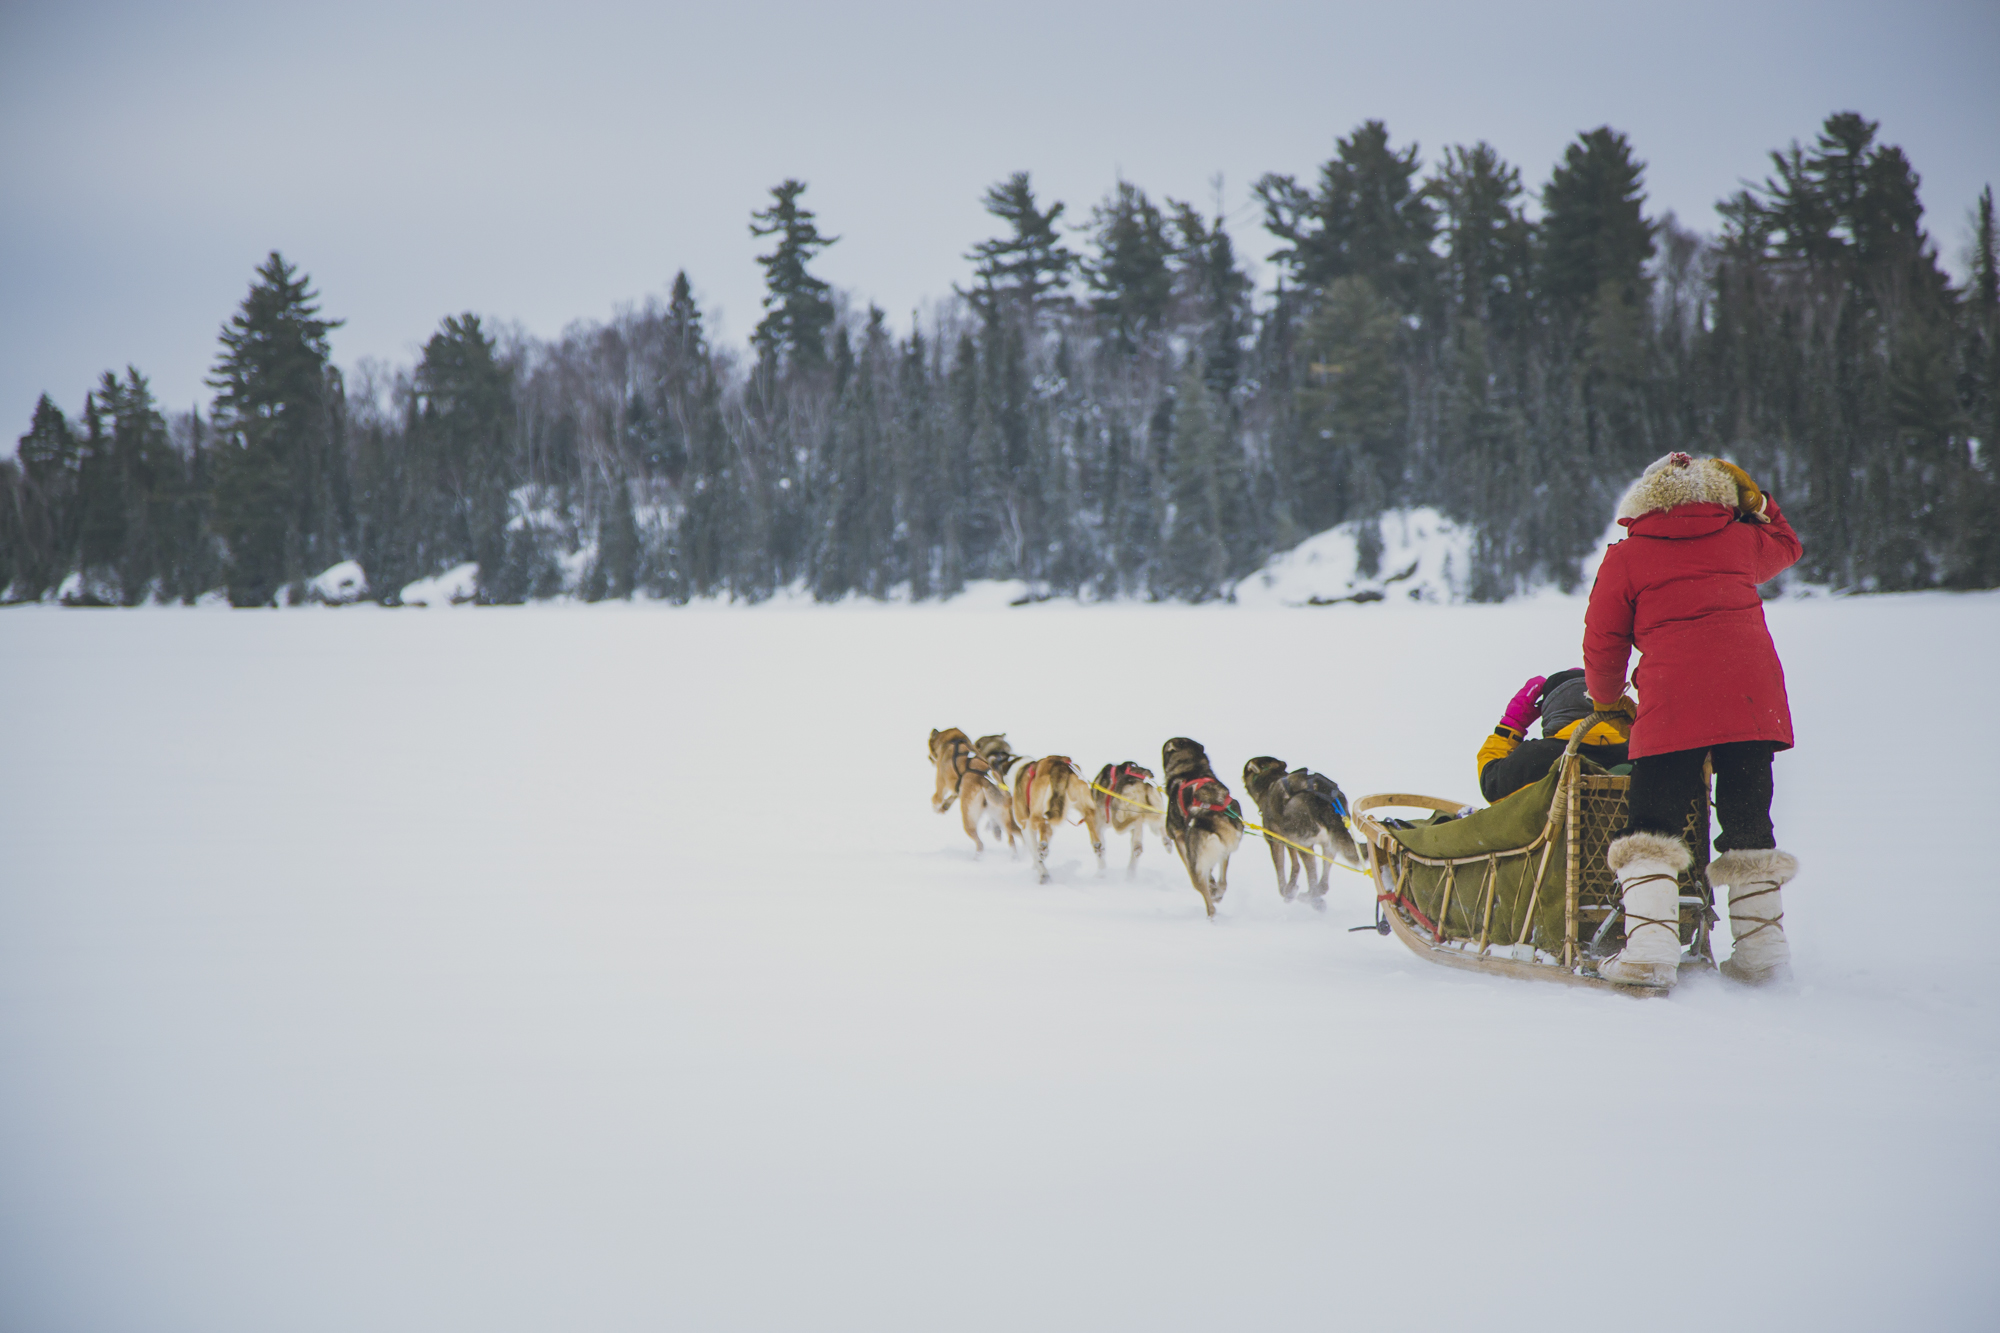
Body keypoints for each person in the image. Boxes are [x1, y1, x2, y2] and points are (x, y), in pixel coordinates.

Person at [1584, 453, 1802, 987]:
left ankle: (1650, 949)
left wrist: (1607, 700)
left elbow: (1604, 641)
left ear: (1645, 498)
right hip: (1751, 697)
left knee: (1653, 823)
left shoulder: (1628, 557)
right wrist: (1759, 502)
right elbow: (1787, 544)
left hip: (1674, 700)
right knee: (1748, 817)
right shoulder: (1740, 539)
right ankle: (1762, 951)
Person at [1476, 668, 1630, 804]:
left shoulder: (1538, 756)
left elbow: (1491, 786)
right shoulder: (1636, 752)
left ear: (1552, 712)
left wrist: (1511, 724)